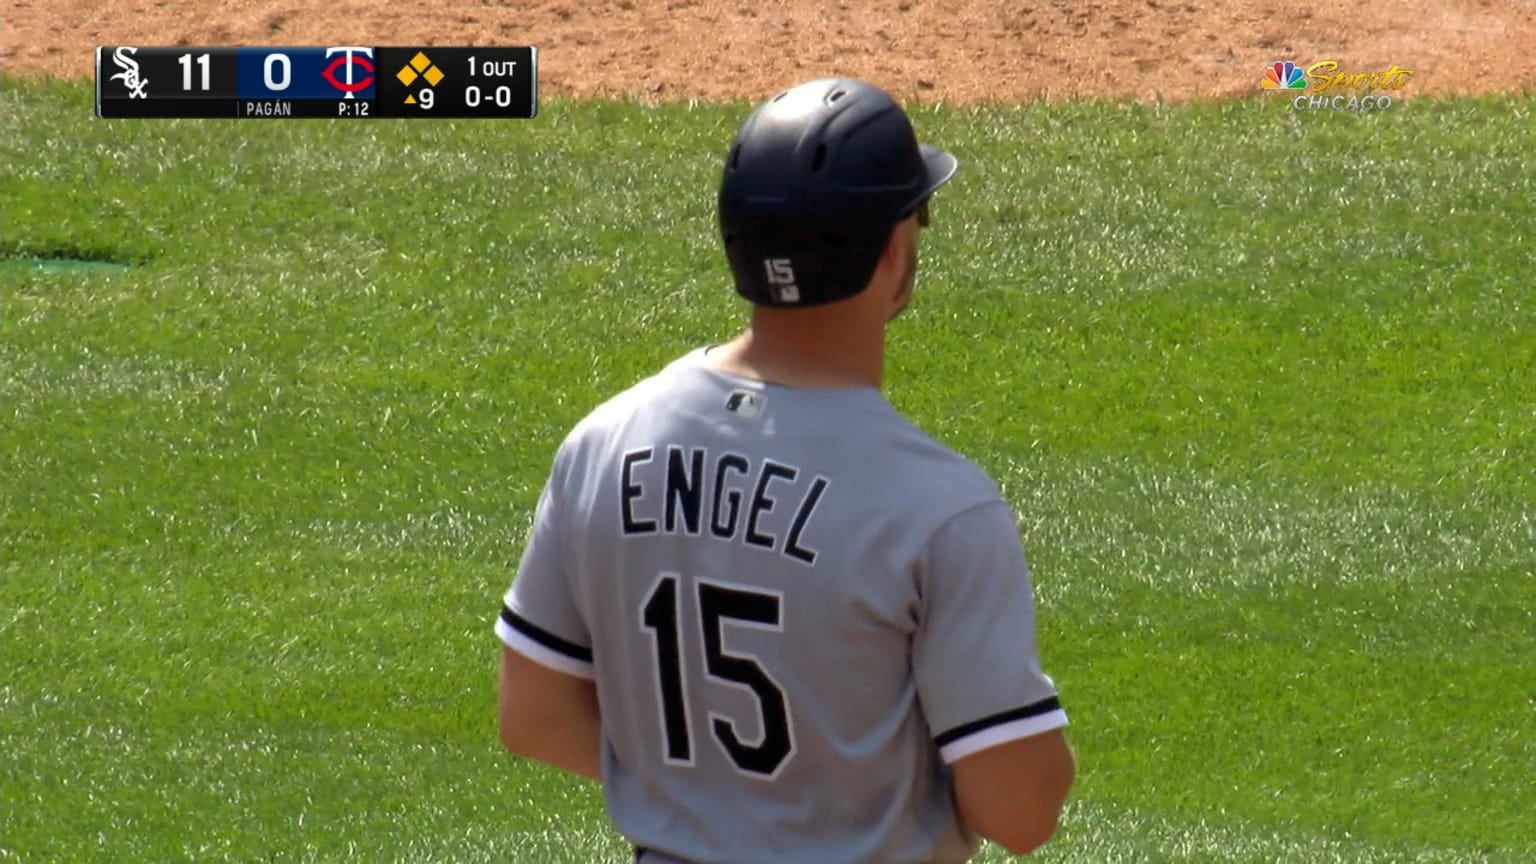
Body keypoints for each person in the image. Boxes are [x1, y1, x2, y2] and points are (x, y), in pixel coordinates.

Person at [495, 77, 1076, 863]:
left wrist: (713, 803)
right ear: (892, 250)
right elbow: (1021, 809)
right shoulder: (937, 507)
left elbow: (533, 715)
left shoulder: (605, 443)